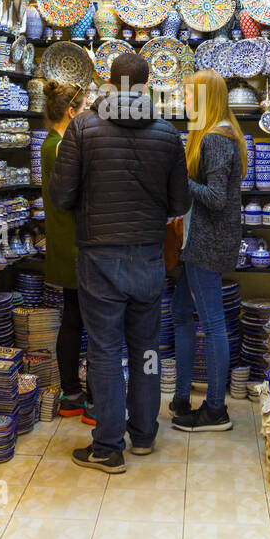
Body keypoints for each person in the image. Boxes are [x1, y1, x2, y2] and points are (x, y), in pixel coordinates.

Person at [48, 51, 190, 473]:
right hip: (147, 257)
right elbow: (180, 203)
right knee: (146, 348)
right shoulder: (166, 134)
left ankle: (108, 446)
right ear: (146, 86)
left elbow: (61, 196)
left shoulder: (83, 128)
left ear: (109, 83)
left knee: (106, 351)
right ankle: (144, 433)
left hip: (99, 256)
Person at [170, 68, 246, 433]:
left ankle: (216, 408)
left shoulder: (215, 139)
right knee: (182, 313)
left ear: (204, 99)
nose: (184, 100)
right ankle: (181, 395)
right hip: (202, 242)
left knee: (213, 325)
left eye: (188, 94)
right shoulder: (222, 134)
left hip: (207, 243)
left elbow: (215, 199)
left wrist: (179, 181)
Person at [40, 81, 93, 424]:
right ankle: (73, 392)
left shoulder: (52, 144)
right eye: (84, 107)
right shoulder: (60, 146)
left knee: (73, 316)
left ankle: (72, 392)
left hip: (64, 238)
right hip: (73, 240)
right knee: (79, 318)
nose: (87, 112)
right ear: (71, 112)